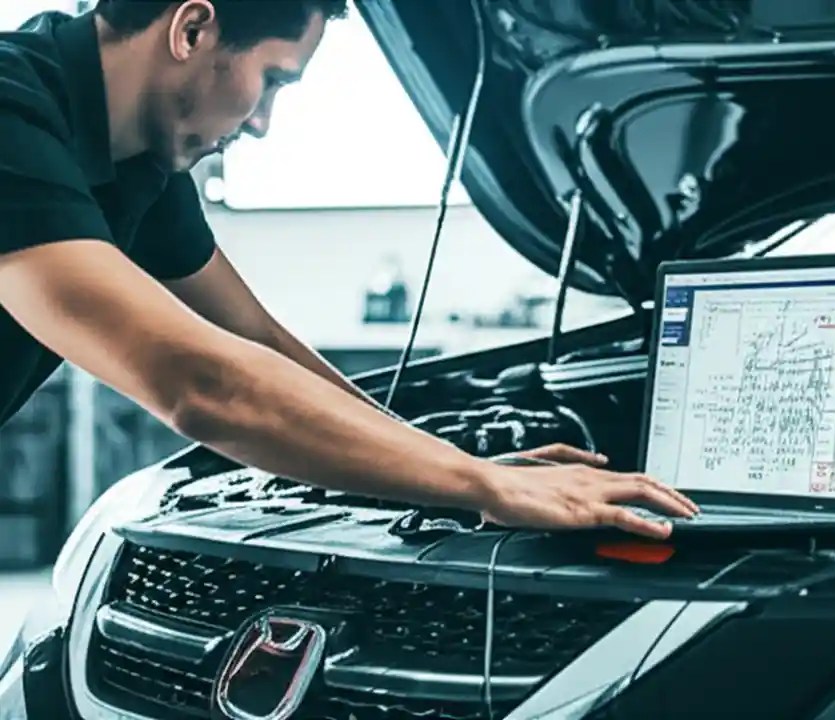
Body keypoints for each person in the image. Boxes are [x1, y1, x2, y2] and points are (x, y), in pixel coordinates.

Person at [0, 0, 696, 538]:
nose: (262, 122)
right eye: (272, 80)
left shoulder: (138, 162)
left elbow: (259, 342)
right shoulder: (11, 108)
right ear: (192, 31)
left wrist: (448, 458)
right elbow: (200, 382)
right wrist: (482, 487)